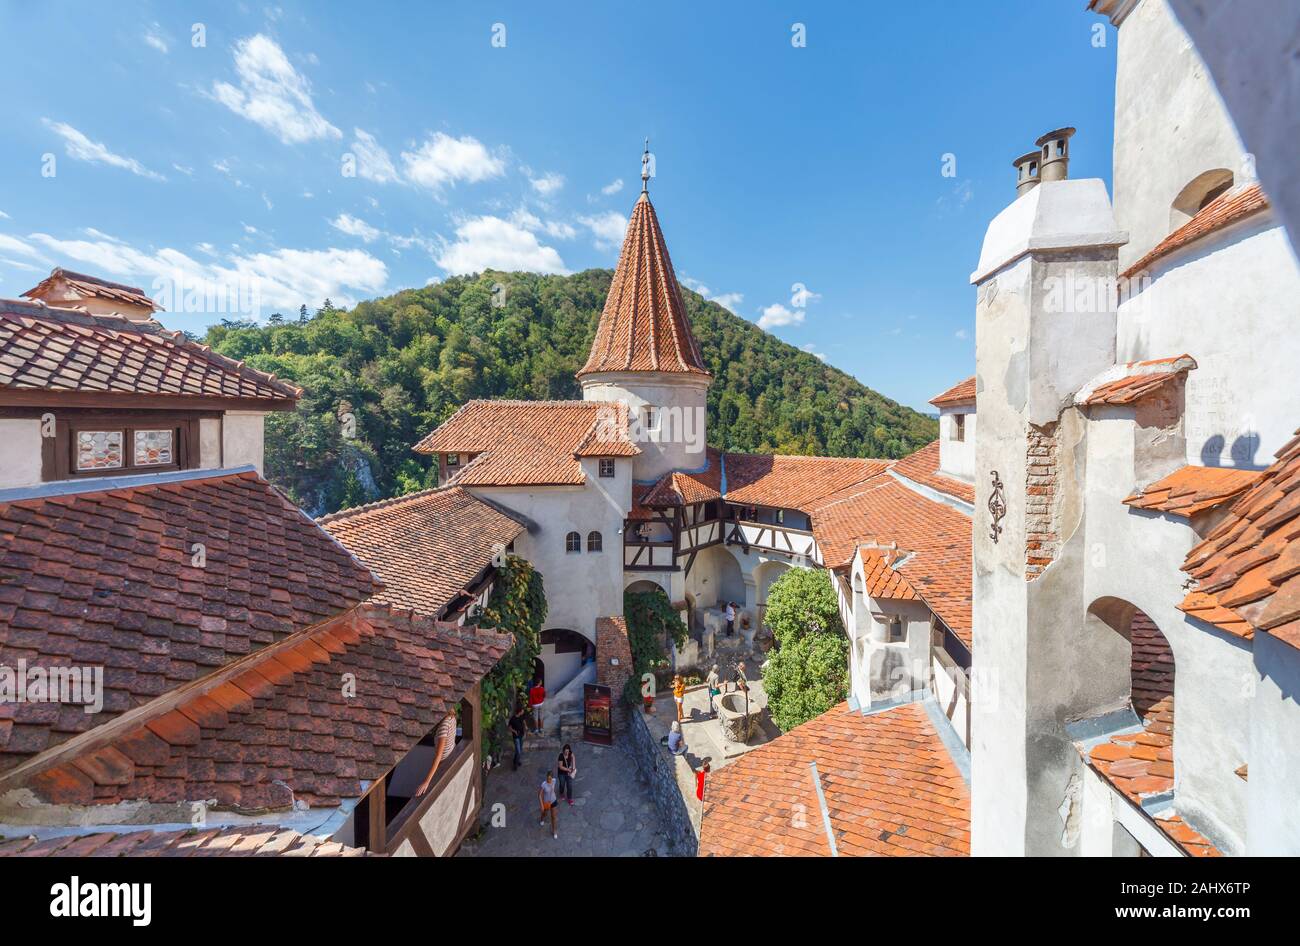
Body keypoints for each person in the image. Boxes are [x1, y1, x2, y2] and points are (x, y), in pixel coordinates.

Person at [415, 710, 458, 796]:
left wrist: (426, 782)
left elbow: (439, 755)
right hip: (452, 753)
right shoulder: (451, 716)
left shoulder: (444, 726)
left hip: (444, 762)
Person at [538, 770, 559, 839]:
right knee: (545, 814)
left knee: (554, 817)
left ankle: (554, 831)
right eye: (547, 778)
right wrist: (541, 805)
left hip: (553, 801)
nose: (548, 780)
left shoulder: (554, 781)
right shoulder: (543, 784)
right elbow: (539, 795)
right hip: (546, 802)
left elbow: (553, 790)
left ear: (552, 778)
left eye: (550, 778)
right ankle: (542, 818)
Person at [507, 705, 528, 770]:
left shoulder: (521, 716)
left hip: (521, 735)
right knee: (518, 751)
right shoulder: (513, 719)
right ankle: (515, 764)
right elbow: (509, 727)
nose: (523, 711)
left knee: (519, 750)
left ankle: (517, 761)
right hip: (516, 737)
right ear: (519, 712)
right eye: (522, 711)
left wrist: (525, 726)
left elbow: (524, 721)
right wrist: (514, 731)